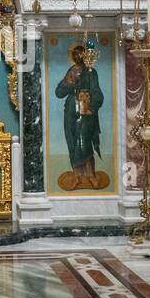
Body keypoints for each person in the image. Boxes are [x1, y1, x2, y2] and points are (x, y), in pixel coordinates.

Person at [55, 42, 105, 189]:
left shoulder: (91, 72)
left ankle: (91, 175)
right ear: (72, 56)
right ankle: (77, 175)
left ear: (85, 55)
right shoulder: (70, 72)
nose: (77, 57)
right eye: (74, 54)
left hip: (86, 111)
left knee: (84, 142)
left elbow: (97, 93)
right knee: (72, 141)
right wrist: (69, 83)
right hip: (70, 111)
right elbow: (59, 93)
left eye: (80, 54)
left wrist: (92, 107)